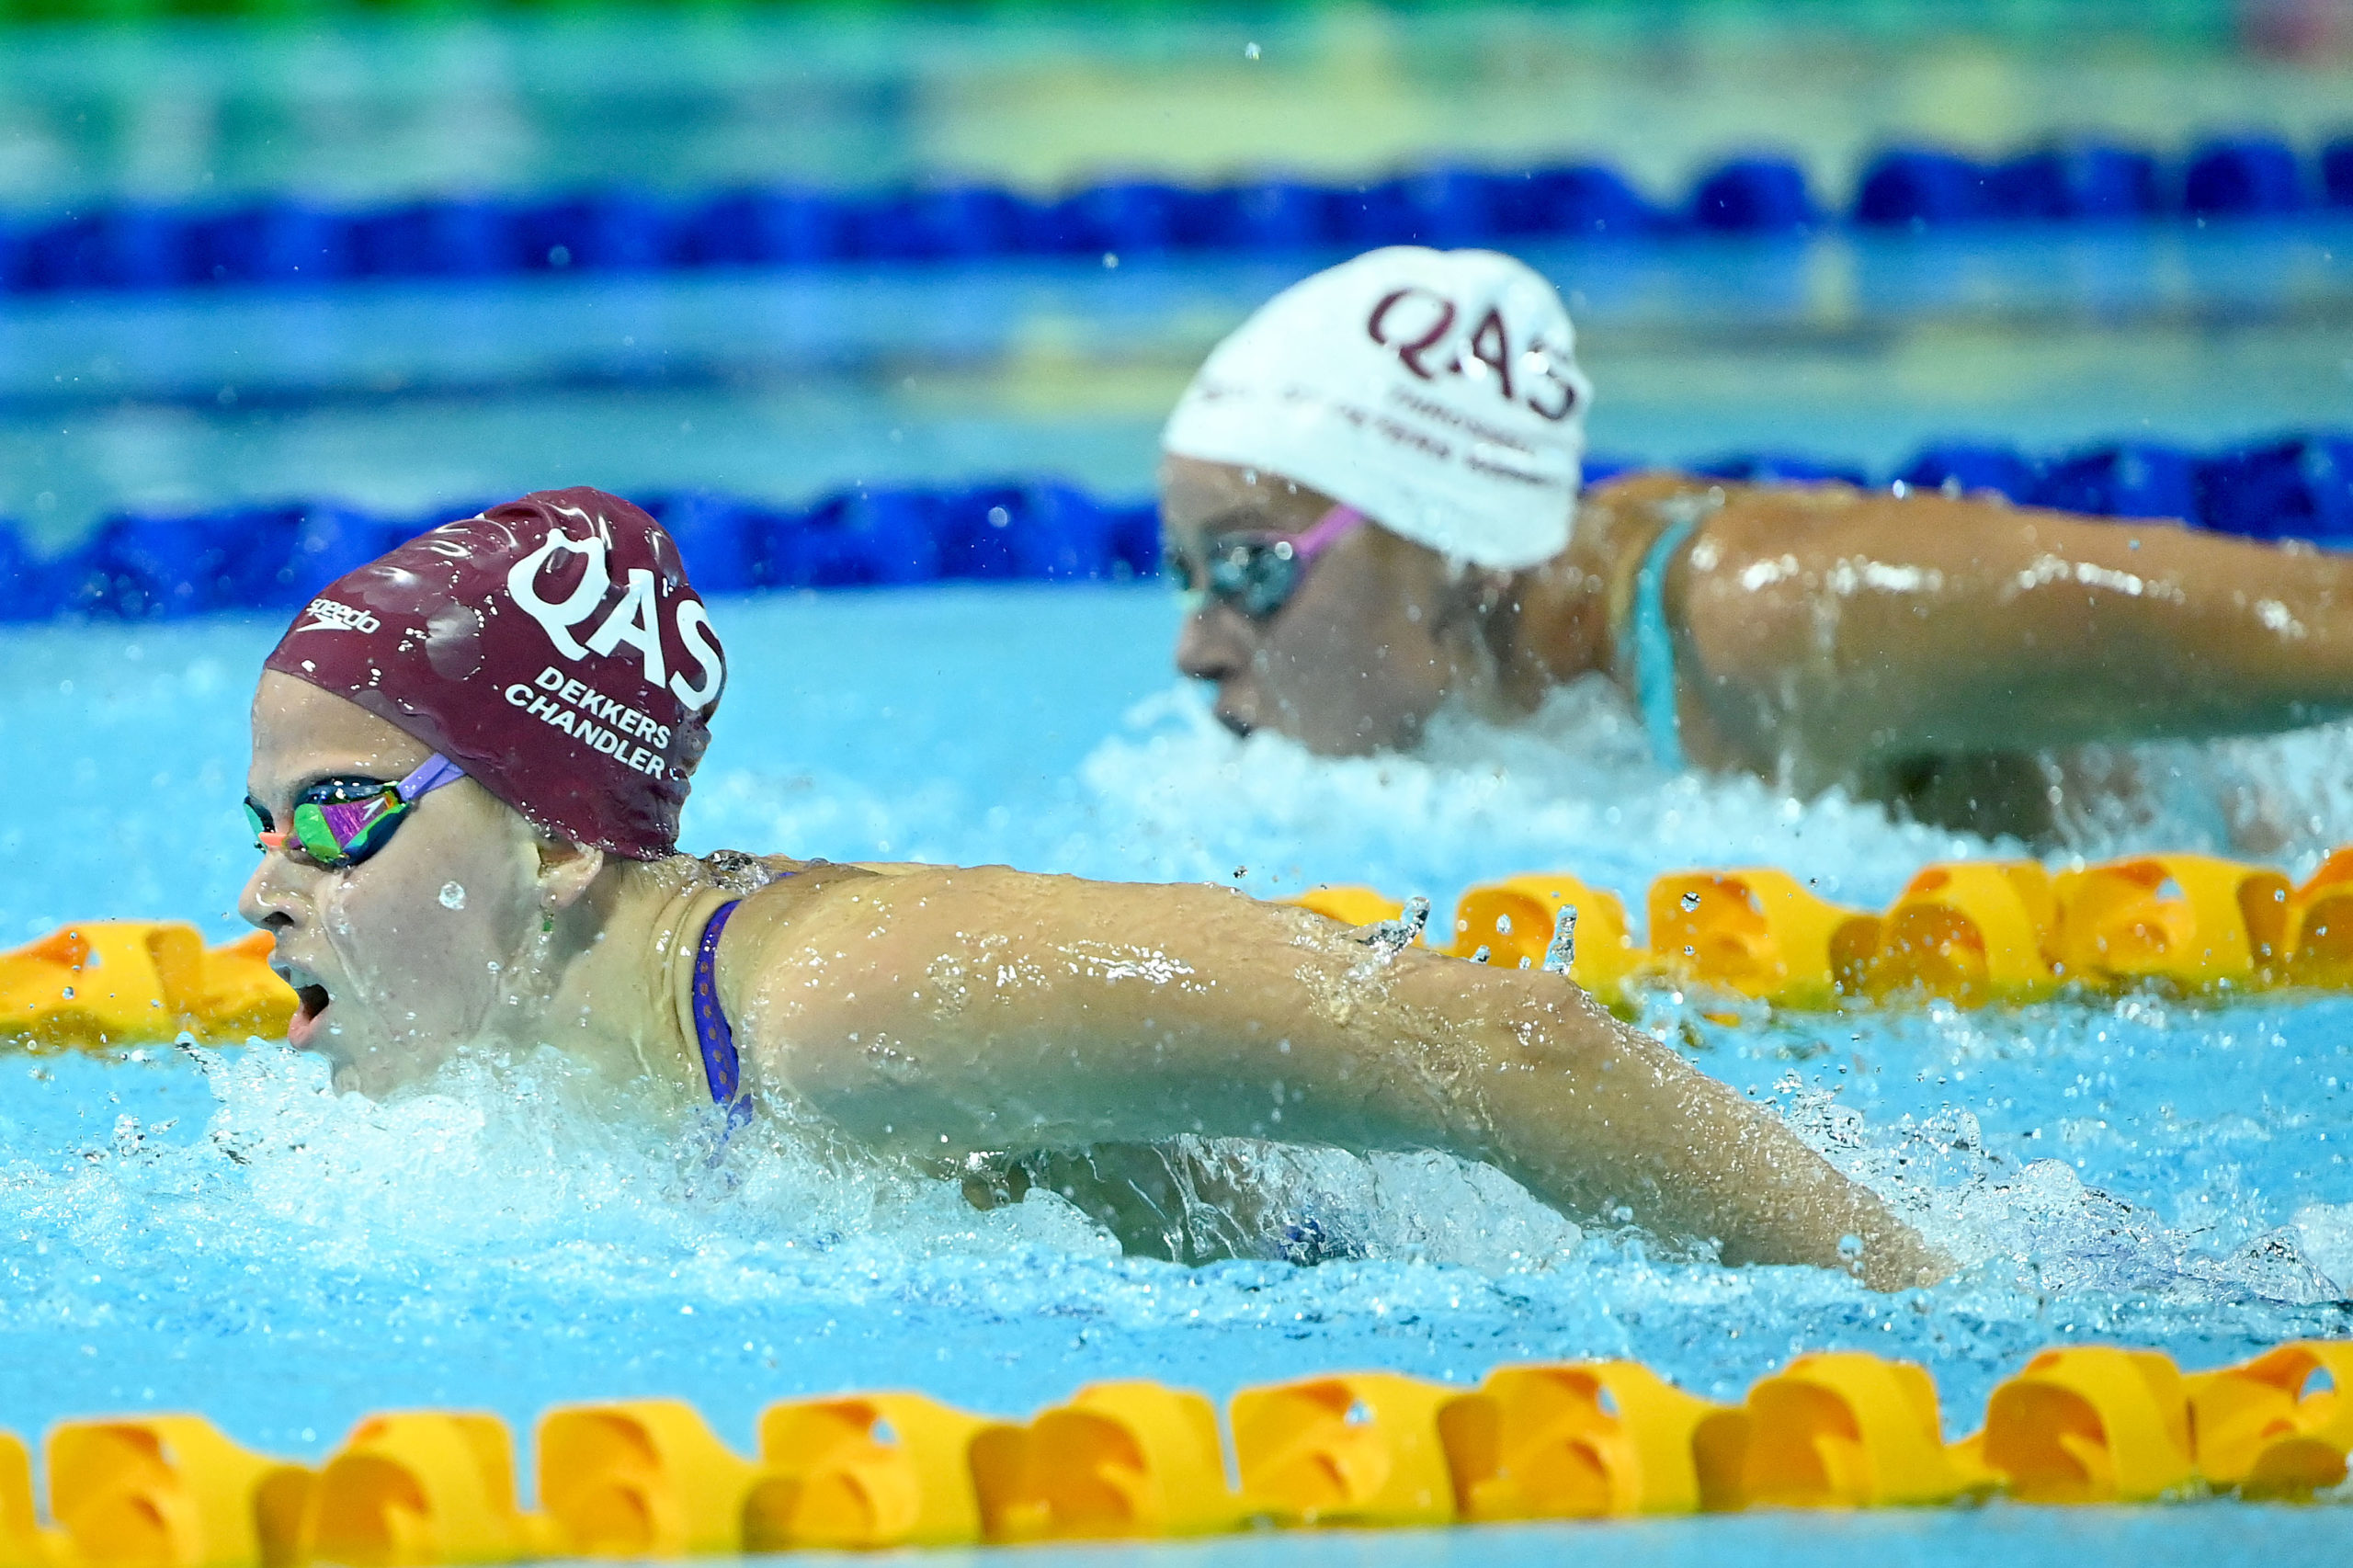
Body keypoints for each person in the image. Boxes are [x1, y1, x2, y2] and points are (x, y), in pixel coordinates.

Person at [240, 486, 1944, 1290]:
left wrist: (1930, 1299)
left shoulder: (845, 1007)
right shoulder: (588, 1048)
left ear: (551, 843)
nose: (262, 891)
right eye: (258, 827)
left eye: (328, 820)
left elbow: (1494, 1036)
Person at [1161, 246, 2353, 843]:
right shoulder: (1521, 708)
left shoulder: (1773, 612)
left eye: (1250, 568)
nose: (1195, 649)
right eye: (1187, 580)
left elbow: (2332, 623)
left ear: (1454, 545)